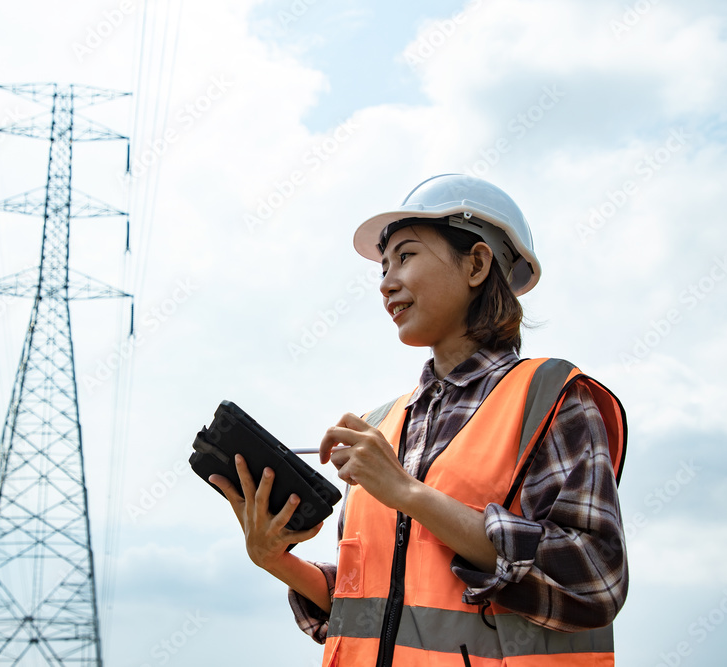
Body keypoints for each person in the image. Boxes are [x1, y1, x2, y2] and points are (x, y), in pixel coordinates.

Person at [210, 174, 628, 667]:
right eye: (383, 266)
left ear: (476, 264)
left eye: (405, 257)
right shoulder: (381, 426)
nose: (386, 282)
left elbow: (593, 581)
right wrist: (275, 559)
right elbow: (372, 607)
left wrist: (409, 493)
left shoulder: (553, 401)